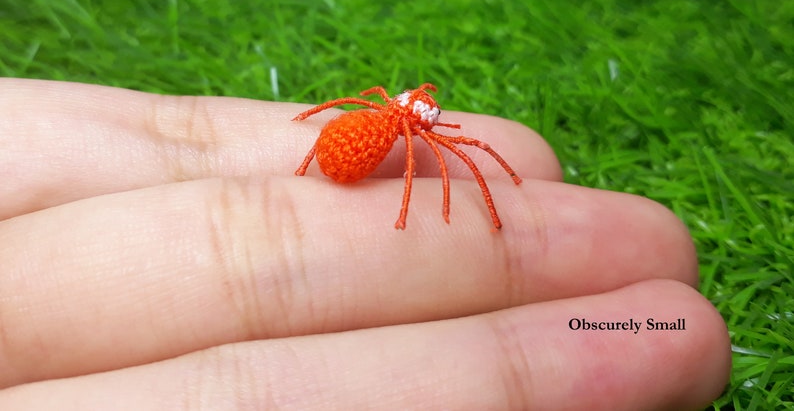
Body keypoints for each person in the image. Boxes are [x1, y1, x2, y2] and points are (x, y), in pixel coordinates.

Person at [0, 78, 731, 409]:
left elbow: (411, 133)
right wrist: (417, 194)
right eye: (426, 105)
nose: (430, 113)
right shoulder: (395, 124)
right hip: (346, 146)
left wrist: (467, 182)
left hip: (348, 140)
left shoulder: (396, 117)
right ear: (412, 106)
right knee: (428, 158)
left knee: (438, 154)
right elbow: (412, 143)